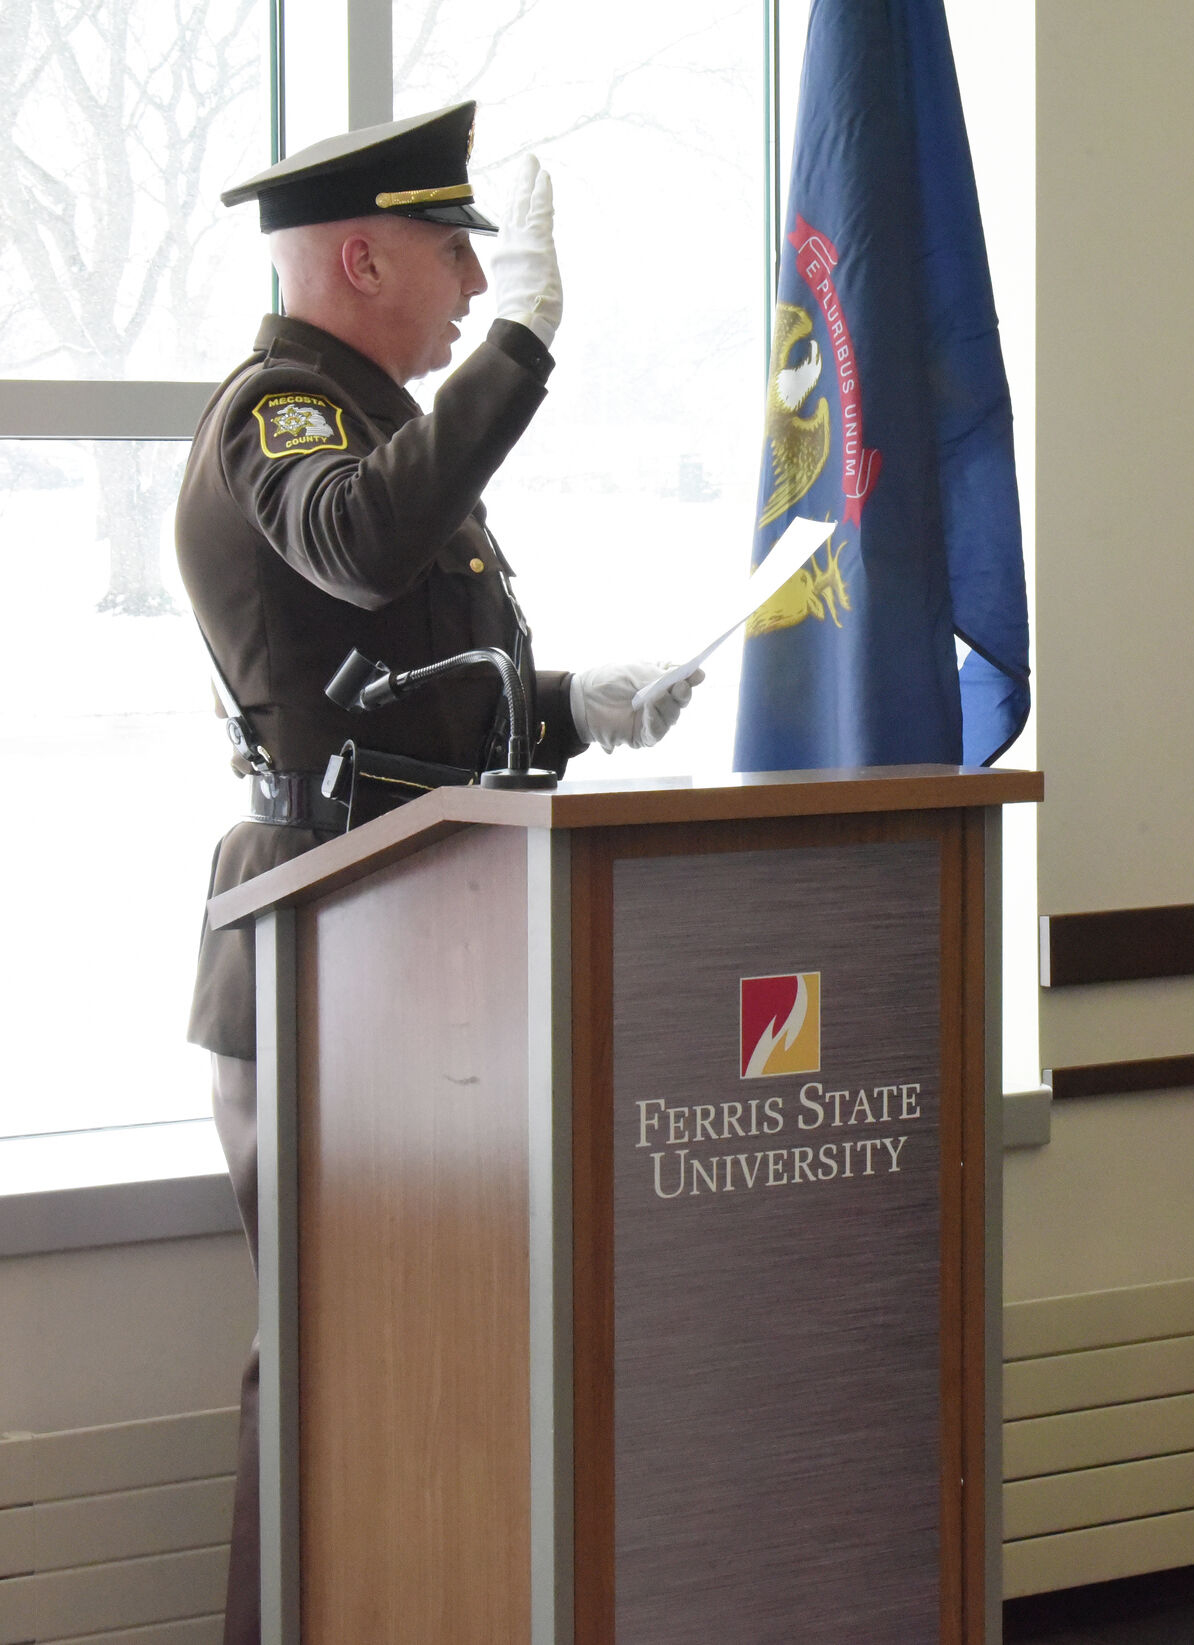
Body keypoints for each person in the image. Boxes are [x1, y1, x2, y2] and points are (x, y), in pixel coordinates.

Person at [178, 101, 700, 1645]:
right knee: (336, 1359)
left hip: (418, 949)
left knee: (435, 1356)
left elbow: (403, 704)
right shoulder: (281, 417)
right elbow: (358, 549)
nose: (475, 281)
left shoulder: (368, 436)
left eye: (490, 265)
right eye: (452, 250)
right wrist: (523, 352)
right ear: (358, 256)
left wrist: (565, 706)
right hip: (318, 939)